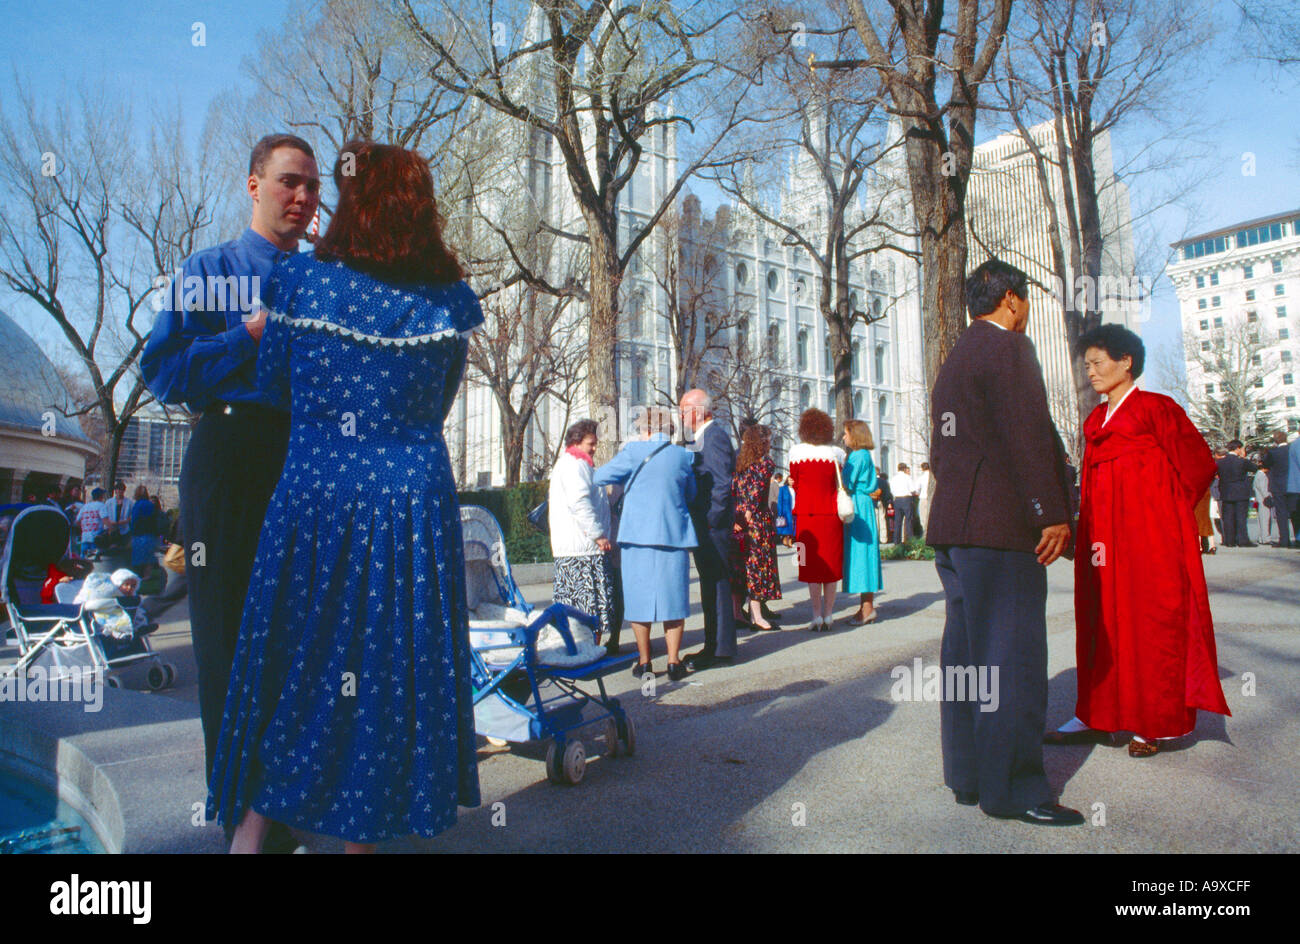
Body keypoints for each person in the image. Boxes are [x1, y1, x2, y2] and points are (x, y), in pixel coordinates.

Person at [207, 139, 483, 853]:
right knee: (386, 679)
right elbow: (441, 401)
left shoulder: (302, 285)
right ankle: (358, 838)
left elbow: (274, 383)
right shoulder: (450, 304)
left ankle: (251, 835)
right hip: (409, 510)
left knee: (292, 670)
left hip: (314, 502)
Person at [142, 133, 319, 854]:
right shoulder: (208, 269)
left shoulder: (323, 279)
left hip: (305, 465)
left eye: (311, 185)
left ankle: (282, 810)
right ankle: (245, 827)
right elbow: (162, 371)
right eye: (288, 182)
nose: (303, 198)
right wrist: (246, 336)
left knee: (300, 648)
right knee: (227, 646)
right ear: (253, 185)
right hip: (229, 456)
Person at [927, 258, 1081, 826]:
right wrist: (1050, 513)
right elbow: (1029, 434)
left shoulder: (956, 358)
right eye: (1026, 303)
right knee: (1011, 659)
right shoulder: (1009, 349)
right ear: (1011, 300)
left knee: (967, 658)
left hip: (958, 529)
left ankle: (968, 775)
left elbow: (943, 452)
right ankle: (1015, 790)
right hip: (1000, 527)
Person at [1048, 324, 1231, 757]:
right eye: (1087, 364)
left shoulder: (1156, 408)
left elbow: (1198, 465)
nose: (1090, 371)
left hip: (1150, 540)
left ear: (1126, 361)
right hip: (1103, 544)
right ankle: (1097, 714)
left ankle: (1155, 723)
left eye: (1098, 362)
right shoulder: (1095, 420)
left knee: (1151, 625)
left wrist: (1168, 520)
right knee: (1103, 623)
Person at [593, 406, 697, 680]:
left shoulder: (632, 452)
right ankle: (674, 662)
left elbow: (598, 477)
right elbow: (692, 493)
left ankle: (645, 661)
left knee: (639, 600)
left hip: (637, 536)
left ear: (646, 429)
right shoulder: (684, 456)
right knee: (674, 599)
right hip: (674, 535)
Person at [679, 389, 738, 671]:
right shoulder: (706, 437)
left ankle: (720, 649)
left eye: (684, 410)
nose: (680, 416)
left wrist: (712, 519)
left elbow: (721, 485)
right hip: (707, 524)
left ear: (699, 411)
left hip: (712, 526)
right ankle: (715, 644)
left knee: (715, 585)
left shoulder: (713, 438)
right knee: (711, 585)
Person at [548, 419, 617, 644]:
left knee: (586, 609)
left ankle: (586, 648)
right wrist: (599, 535)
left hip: (581, 548)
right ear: (577, 441)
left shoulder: (579, 464)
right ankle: (585, 650)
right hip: (580, 551)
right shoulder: (574, 465)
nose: (595, 448)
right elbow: (580, 503)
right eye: (591, 443)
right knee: (585, 608)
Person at [788, 408, 845, 632]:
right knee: (831, 567)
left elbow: (796, 482)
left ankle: (816, 615)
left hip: (806, 516)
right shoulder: (837, 454)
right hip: (831, 516)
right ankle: (829, 614)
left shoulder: (796, 453)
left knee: (811, 566)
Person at [731, 425, 781, 631]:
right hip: (756, 519)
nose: (770, 443)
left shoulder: (740, 461)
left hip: (736, 516)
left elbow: (734, 487)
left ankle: (736, 614)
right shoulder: (766, 462)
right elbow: (757, 490)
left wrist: (737, 517)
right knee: (757, 567)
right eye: (768, 440)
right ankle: (756, 616)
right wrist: (748, 515)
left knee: (738, 567)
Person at [840, 419, 882, 624]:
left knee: (860, 554)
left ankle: (866, 608)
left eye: (846, 433)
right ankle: (866, 606)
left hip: (858, 505)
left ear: (854, 435)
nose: (844, 437)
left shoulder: (857, 456)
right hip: (864, 503)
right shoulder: (865, 455)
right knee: (865, 554)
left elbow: (846, 482)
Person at [1215, 440, 1256, 547]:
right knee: (1241, 517)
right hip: (1241, 492)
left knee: (1228, 517)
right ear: (1238, 448)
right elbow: (1254, 468)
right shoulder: (1241, 461)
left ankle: (1229, 540)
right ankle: (1242, 540)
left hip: (1226, 491)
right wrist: (1244, 457)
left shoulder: (1220, 462)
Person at [1260, 430, 1292, 547]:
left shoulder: (1273, 452)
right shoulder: (1291, 450)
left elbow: (1265, 464)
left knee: (1281, 513)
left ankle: (1284, 539)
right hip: (1293, 484)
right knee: (1295, 512)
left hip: (1278, 485)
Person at [128, 485, 160, 578]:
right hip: (150, 534)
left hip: (139, 535)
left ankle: (140, 577)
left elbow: (134, 520)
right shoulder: (150, 504)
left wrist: (132, 532)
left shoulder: (137, 504)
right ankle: (148, 575)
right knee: (148, 558)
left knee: (139, 559)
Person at [75, 488, 108, 559]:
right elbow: (105, 520)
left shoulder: (85, 506)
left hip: (85, 537)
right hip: (96, 538)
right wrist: (111, 530)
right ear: (101, 496)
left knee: (83, 560)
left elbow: (77, 521)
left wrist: (84, 529)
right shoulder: (101, 505)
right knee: (94, 560)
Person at [892, 463, 919, 544]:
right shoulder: (907, 477)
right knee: (909, 520)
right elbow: (912, 489)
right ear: (904, 469)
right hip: (906, 499)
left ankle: (897, 541)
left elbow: (892, 490)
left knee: (897, 521)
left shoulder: (893, 478)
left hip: (897, 499)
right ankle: (910, 540)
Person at [773, 471, 795, 547]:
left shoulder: (796, 489)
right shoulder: (783, 489)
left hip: (794, 509)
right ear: (787, 480)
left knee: (793, 526)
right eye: (790, 480)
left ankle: (788, 539)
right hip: (786, 510)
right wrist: (780, 512)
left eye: (793, 480)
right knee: (788, 526)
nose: (792, 481)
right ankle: (787, 540)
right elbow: (780, 501)